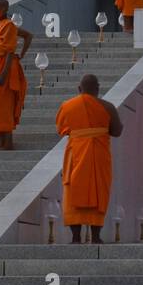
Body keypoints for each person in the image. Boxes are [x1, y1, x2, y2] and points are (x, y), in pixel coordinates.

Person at [56, 74, 123, 244]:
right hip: (98, 156)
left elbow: (61, 128)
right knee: (98, 190)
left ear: (79, 89)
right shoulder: (108, 107)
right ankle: (95, 236)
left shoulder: (68, 106)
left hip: (75, 156)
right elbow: (117, 131)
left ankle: (75, 237)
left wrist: (81, 132)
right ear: (98, 89)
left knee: (72, 191)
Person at [0, 0, 32, 150]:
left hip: (6, 68)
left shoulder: (9, 25)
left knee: (2, 105)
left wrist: (5, 72)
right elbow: (28, 35)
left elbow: (10, 51)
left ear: (4, 9)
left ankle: (8, 142)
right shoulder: (2, 24)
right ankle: (2, 141)